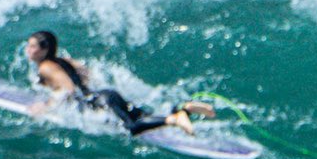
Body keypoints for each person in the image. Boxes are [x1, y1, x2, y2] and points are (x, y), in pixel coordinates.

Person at [23, 30, 216, 136]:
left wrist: (46, 106)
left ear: (45, 49)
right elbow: (85, 73)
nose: (28, 50)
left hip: (100, 102)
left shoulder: (45, 67)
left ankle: (174, 119)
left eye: (33, 46)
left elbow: (69, 89)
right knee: (142, 115)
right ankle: (184, 109)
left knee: (132, 127)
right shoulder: (62, 60)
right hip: (106, 94)